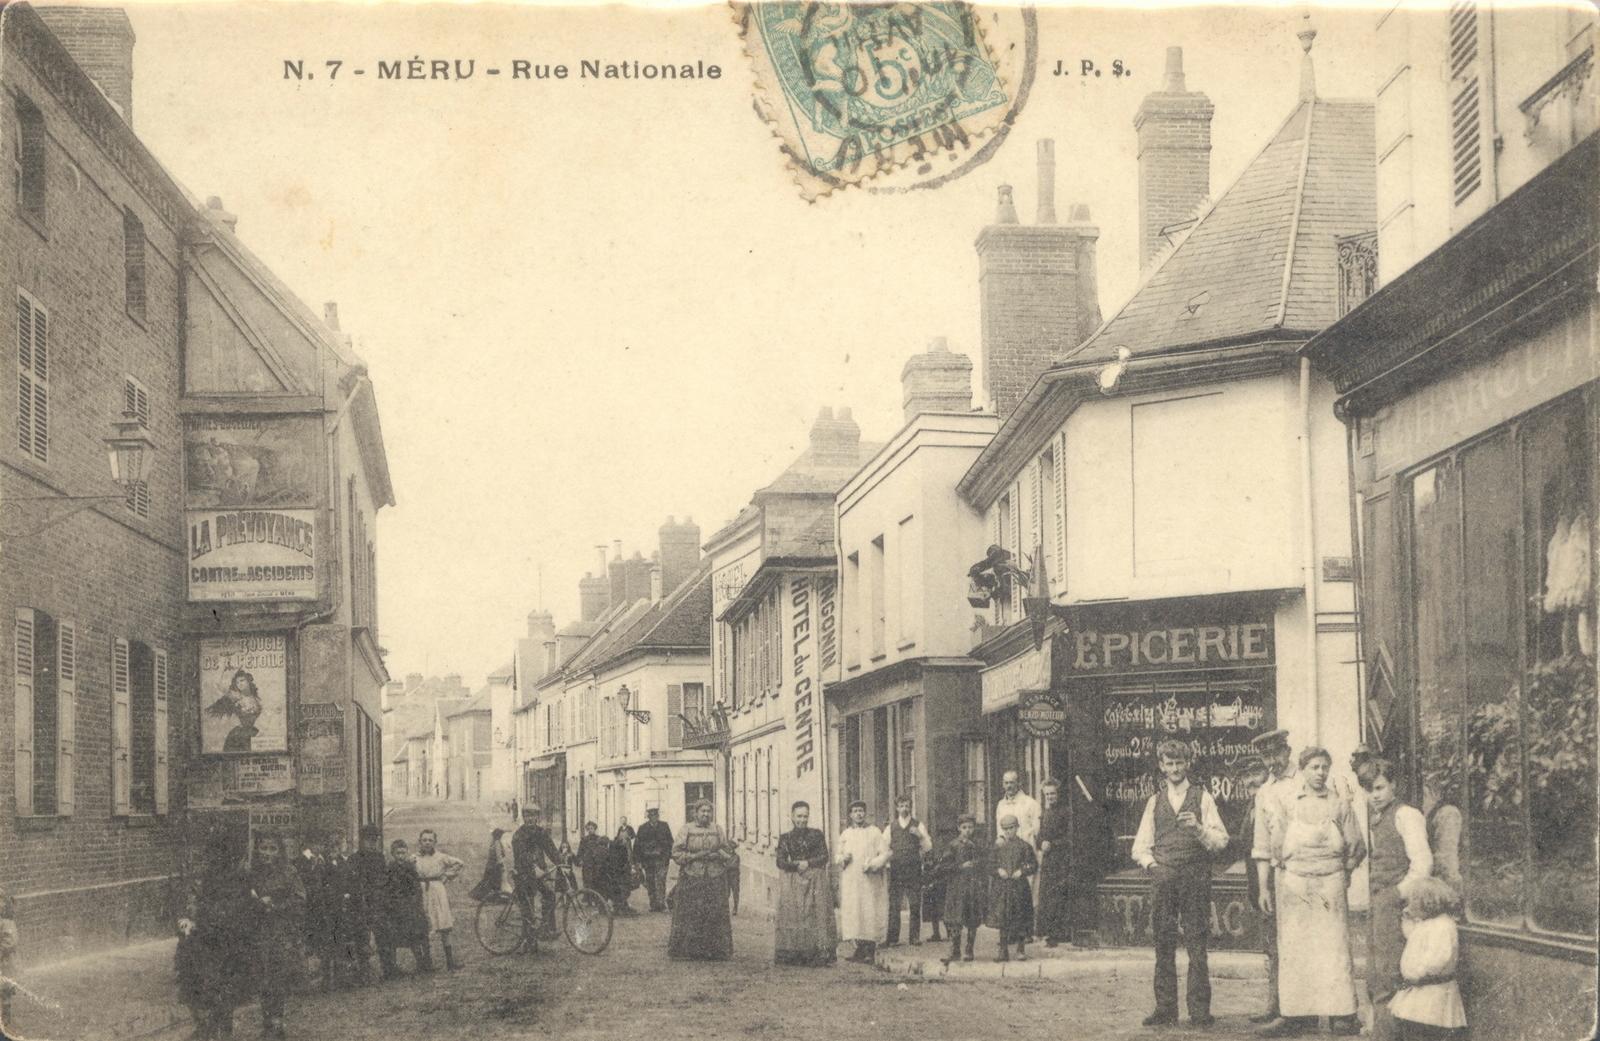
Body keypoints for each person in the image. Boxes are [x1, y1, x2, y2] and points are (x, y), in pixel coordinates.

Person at [1259, 747, 1366, 1038]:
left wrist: (1346, 872)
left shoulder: (1339, 803)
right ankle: (1296, 1016)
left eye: (1324, 767)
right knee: (1296, 950)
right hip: (1295, 885)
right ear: (1303, 770)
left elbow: (1357, 847)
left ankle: (1342, 1015)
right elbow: (1276, 848)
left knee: (1333, 948)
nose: (1320, 773)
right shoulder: (1289, 803)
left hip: (1330, 884)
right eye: (1314, 767)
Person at [1132, 739, 1229, 1028]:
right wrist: (1154, 867)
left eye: (1179, 763)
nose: (1175, 768)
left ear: (1187, 764)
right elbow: (1140, 846)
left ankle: (1199, 1011)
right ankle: (1165, 1009)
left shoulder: (1202, 797)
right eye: (1169, 763)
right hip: (1163, 880)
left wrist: (1198, 828)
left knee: (1197, 945)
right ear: (1161, 766)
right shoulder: (1154, 801)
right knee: (1163, 944)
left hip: (1195, 879)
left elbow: (1221, 841)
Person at [1357, 756, 1434, 1041]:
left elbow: (1422, 865)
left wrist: (1395, 896)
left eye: (1379, 788)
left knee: (1389, 975)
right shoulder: (1377, 817)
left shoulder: (1406, 815)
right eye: (1368, 790)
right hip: (1379, 904)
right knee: (1375, 975)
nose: (1374, 796)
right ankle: (1380, 1032)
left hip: (1397, 906)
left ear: (1394, 785)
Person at [175, 835, 253, 1039]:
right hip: (202, 938)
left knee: (226, 990)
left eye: (223, 855)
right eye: (213, 854)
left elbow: (242, 906)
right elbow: (192, 897)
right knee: (194, 984)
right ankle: (205, 1026)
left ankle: (222, 1030)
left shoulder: (240, 877)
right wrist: (187, 918)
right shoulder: (203, 876)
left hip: (228, 940)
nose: (217, 859)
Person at [1248, 729, 1296, 1027]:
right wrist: (1264, 887)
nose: (1272, 761)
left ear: (1287, 751)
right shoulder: (1264, 792)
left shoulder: (1305, 780)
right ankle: (1279, 1005)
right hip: (1279, 877)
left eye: (1276, 754)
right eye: (1266, 756)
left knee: (1308, 941)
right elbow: (1261, 845)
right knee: (1277, 944)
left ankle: (1317, 1008)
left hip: (1308, 875)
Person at [1224, 756, 1274, 1023]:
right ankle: (1276, 1005)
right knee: (1270, 946)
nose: (1252, 782)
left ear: (1266, 775)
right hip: (1258, 886)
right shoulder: (1250, 808)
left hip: (1274, 885)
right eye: (1246, 778)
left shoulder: (1271, 804)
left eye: (1257, 775)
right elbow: (1244, 844)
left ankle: (1282, 1008)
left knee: (1278, 946)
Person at [1389, 877, 1466, 1040]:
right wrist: (1407, 919)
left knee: (1425, 1032)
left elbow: (1438, 959)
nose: (1410, 906)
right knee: (1412, 1030)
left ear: (1427, 902)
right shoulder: (1427, 923)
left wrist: (1416, 973)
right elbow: (1413, 936)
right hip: (1420, 990)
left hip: (1432, 991)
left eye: (1413, 902)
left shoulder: (1443, 926)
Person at [246, 831, 307, 1038]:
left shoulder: (288, 872)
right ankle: (266, 1023)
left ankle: (277, 1023)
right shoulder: (250, 873)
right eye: (264, 848)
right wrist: (255, 903)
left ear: (280, 851)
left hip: (281, 934)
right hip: (258, 932)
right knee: (261, 977)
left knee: (277, 978)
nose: (267, 853)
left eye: (273, 848)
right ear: (257, 850)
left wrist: (274, 906)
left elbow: (300, 900)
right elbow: (241, 900)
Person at [667, 799, 735, 960]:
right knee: (691, 913)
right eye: (702, 811)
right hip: (692, 877)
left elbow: (728, 851)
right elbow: (676, 853)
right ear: (695, 813)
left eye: (708, 811)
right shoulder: (687, 830)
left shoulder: (717, 829)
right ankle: (689, 951)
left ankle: (716, 951)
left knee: (714, 913)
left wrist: (717, 854)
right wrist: (694, 856)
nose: (706, 814)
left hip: (714, 877)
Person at [774, 801, 837, 966]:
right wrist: (796, 864)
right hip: (793, 882)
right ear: (792, 817)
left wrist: (808, 862)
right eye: (799, 816)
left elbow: (824, 856)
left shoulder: (816, 834)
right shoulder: (785, 838)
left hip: (815, 880)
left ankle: (816, 953)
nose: (802, 820)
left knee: (815, 915)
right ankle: (794, 953)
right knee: (795, 915)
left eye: (805, 816)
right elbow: (780, 862)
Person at [835, 800, 891, 964]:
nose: (858, 814)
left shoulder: (874, 832)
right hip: (852, 880)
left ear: (865, 813)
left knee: (869, 912)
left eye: (861, 811)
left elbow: (885, 854)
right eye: (855, 811)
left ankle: (870, 950)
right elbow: (838, 855)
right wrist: (842, 858)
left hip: (869, 880)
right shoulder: (845, 834)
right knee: (854, 913)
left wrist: (873, 864)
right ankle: (858, 948)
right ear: (850, 815)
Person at [936, 814, 988, 964]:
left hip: (972, 887)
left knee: (972, 918)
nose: (967, 830)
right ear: (959, 828)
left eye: (970, 827)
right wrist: (960, 867)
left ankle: (969, 949)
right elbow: (943, 866)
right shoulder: (953, 845)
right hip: (957, 887)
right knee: (955, 919)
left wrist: (977, 864)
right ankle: (954, 950)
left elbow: (985, 862)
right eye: (964, 827)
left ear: (974, 828)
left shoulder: (978, 844)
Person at [883, 794, 933, 947]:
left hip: (913, 869)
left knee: (915, 903)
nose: (904, 808)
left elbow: (928, 847)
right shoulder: (891, 827)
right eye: (901, 806)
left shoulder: (918, 825)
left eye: (906, 805)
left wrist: (920, 836)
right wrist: (889, 863)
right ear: (897, 808)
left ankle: (914, 937)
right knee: (894, 904)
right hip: (897, 869)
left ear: (910, 807)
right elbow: (884, 847)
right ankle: (892, 938)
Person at [412, 829, 465, 971]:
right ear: (420, 842)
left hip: (437, 890)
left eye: (430, 840)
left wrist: (447, 875)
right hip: (422, 891)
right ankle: (426, 963)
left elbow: (459, 863)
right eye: (424, 840)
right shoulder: (414, 858)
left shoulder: (441, 857)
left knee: (443, 925)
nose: (427, 843)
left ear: (435, 842)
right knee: (424, 925)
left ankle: (450, 962)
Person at [987, 814, 1037, 962]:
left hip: (1019, 888)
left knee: (1021, 918)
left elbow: (1033, 865)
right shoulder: (998, 847)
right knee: (1003, 919)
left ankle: (1021, 950)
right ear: (1002, 829)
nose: (1009, 831)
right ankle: (1003, 950)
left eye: (1012, 828)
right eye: (1006, 829)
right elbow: (990, 865)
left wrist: (1021, 871)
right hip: (1002, 888)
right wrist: (998, 871)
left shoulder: (1024, 846)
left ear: (1017, 827)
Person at [343, 825, 389, 984]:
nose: (372, 843)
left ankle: (388, 968)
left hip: (376, 902)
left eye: (374, 840)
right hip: (360, 904)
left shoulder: (379, 858)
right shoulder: (353, 859)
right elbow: (351, 882)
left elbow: (383, 879)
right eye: (369, 840)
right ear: (361, 841)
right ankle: (363, 971)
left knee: (382, 935)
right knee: (361, 937)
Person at [379, 839, 432, 974]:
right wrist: (391, 904)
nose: (401, 856)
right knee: (393, 938)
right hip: (396, 909)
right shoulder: (389, 868)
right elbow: (387, 889)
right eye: (398, 853)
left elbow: (416, 887)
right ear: (393, 854)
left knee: (418, 935)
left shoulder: (410, 867)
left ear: (407, 852)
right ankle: (392, 968)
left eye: (403, 853)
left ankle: (423, 963)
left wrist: (416, 902)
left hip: (411, 907)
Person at [512, 806, 560, 938]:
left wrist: (562, 863)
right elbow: (522, 856)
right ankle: (529, 940)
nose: (530, 819)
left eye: (533, 816)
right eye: (527, 816)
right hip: (524, 873)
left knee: (550, 895)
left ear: (537, 817)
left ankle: (546, 928)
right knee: (528, 905)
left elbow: (551, 850)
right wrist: (534, 867)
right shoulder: (519, 835)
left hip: (540, 873)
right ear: (523, 817)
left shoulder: (541, 832)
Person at [1035, 780, 1071, 947]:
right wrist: (1041, 843)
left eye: (1053, 794)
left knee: (1058, 895)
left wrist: (1053, 845)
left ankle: (1058, 933)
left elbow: (1069, 837)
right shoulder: (1046, 812)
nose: (1050, 797)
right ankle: (1048, 932)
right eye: (1047, 794)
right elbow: (1041, 834)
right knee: (1048, 895)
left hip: (1061, 859)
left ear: (1058, 794)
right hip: (1049, 860)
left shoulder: (1065, 812)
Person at [634, 807, 675, 913]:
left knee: (661, 880)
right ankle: (653, 904)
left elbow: (670, 841)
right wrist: (637, 860)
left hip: (661, 859)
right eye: (651, 816)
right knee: (651, 881)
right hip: (648, 860)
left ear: (658, 816)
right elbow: (637, 845)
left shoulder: (664, 826)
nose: (654, 818)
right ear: (648, 817)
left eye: (655, 816)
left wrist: (666, 854)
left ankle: (661, 904)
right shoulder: (642, 828)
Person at [993, 770, 1040, 848]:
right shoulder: (1001, 805)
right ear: (1003, 785)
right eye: (1006, 783)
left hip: (1027, 849)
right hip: (1008, 850)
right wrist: (1001, 837)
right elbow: (1000, 828)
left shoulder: (1031, 803)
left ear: (1018, 783)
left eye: (1012, 782)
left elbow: (1037, 830)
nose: (1009, 786)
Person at [606, 823, 640, 916]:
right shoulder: (619, 850)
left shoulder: (618, 848)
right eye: (625, 839)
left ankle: (621, 906)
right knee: (623, 888)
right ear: (621, 840)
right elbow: (620, 864)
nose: (627, 841)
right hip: (618, 876)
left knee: (623, 888)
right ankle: (620, 907)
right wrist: (629, 869)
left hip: (618, 875)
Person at [469, 828, 509, 903]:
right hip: (495, 866)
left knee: (488, 881)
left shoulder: (493, 842)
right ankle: (495, 897)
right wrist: (501, 865)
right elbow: (498, 856)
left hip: (490, 865)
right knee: (495, 881)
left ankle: (479, 894)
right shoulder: (497, 843)